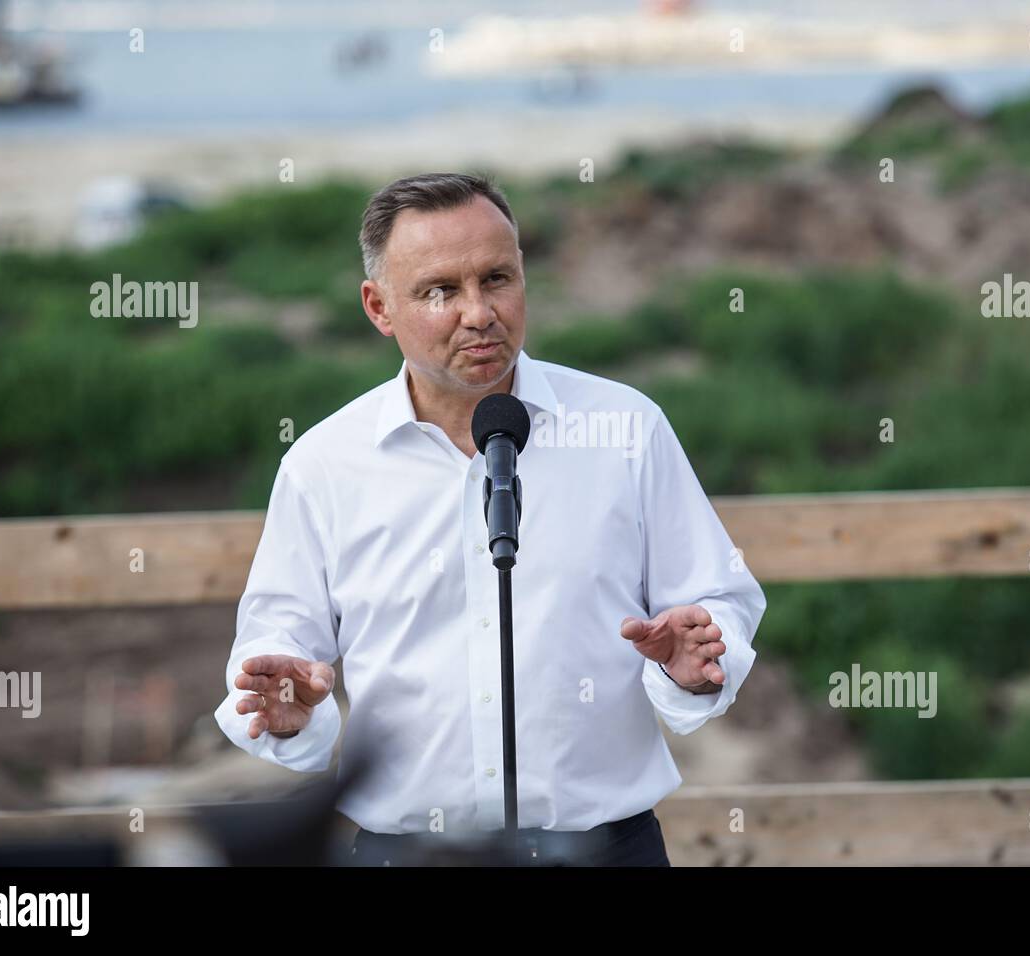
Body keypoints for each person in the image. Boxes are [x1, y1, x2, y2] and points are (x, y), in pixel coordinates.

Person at [214, 172, 767, 866]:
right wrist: (289, 713)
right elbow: (275, 650)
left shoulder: (627, 429)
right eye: (441, 290)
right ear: (378, 307)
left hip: (606, 851)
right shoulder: (323, 465)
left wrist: (698, 662)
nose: (478, 312)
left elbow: (720, 599)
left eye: (497, 278)